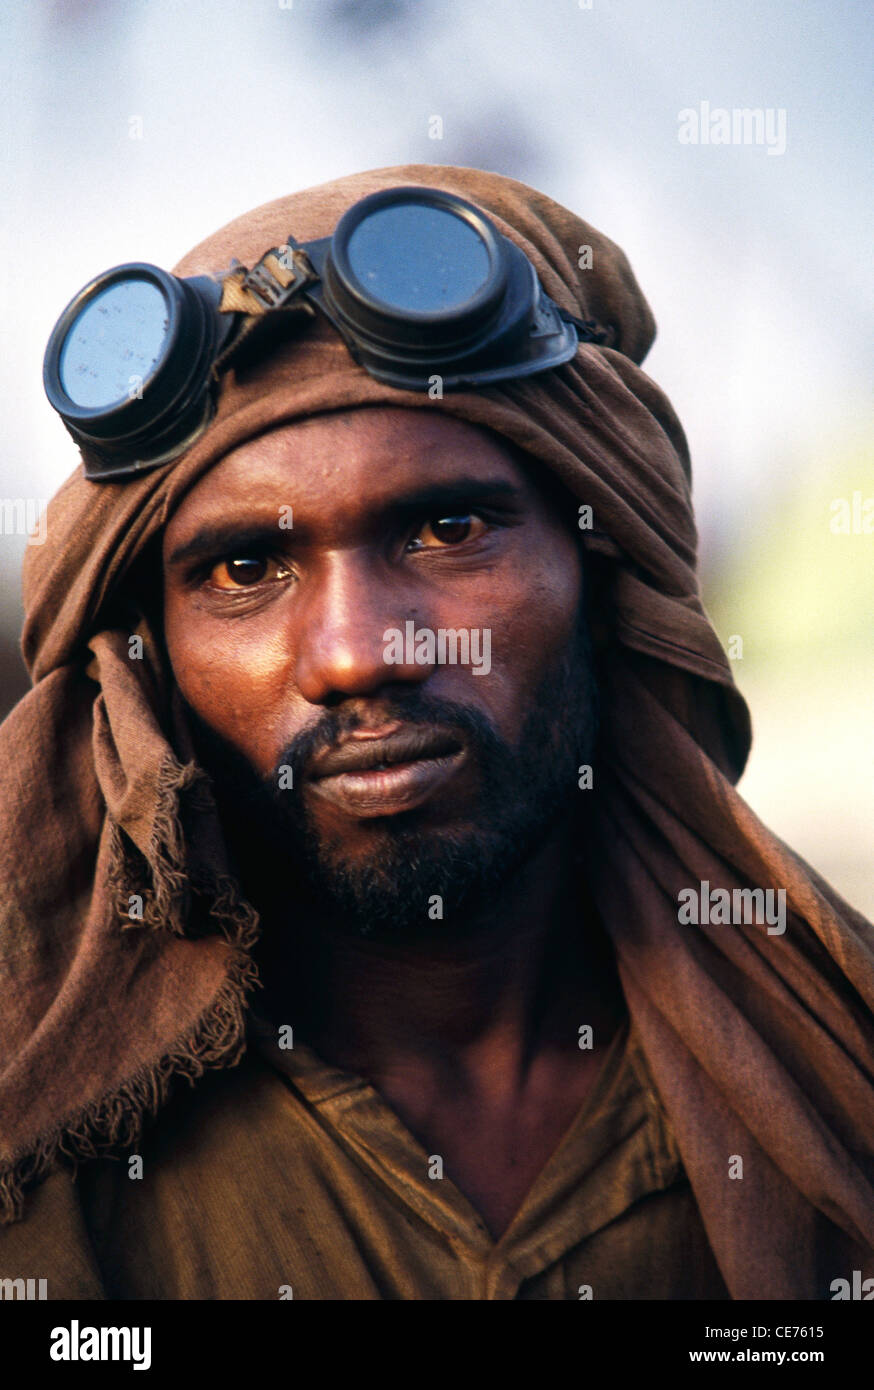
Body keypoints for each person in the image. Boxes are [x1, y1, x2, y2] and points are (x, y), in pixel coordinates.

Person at [1, 164, 872, 1301]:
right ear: (147, 651)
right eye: (245, 568)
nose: (358, 653)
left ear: (601, 571)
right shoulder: (47, 1161)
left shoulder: (831, 1073)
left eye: (447, 529)